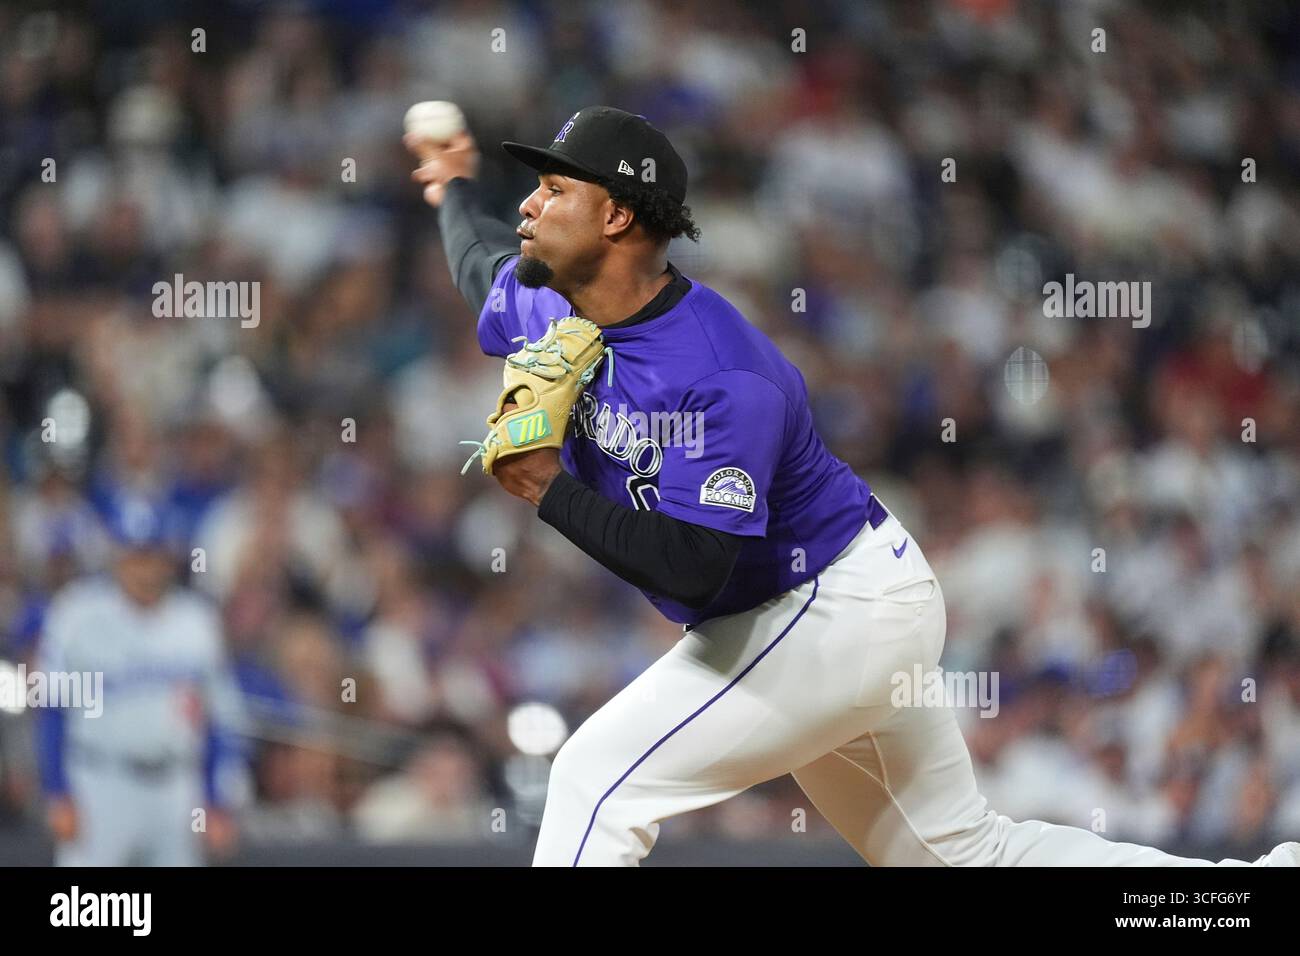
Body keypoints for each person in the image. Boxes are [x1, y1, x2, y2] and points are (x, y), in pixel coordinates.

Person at [407, 105, 1298, 867]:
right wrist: (453, 184)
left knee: (593, 779)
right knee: (965, 852)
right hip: (838, 599)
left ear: (618, 221)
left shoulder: (722, 371)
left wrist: (546, 491)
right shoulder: (552, 300)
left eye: (558, 188)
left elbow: (696, 569)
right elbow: (480, 261)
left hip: (830, 605)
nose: (532, 202)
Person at [35, 496, 246, 866]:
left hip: (177, 786)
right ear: (117, 555)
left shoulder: (196, 622)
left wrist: (216, 800)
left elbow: (221, 720)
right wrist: (58, 792)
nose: (144, 569)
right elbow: (52, 710)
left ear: (169, 558)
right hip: (100, 783)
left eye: (153, 555)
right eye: (135, 555)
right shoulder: (77, 615)